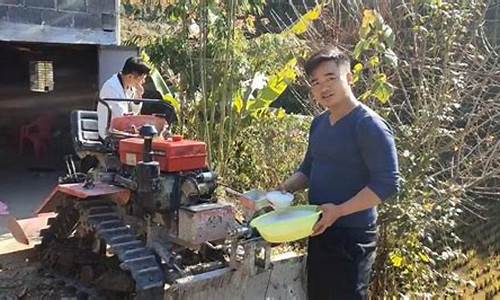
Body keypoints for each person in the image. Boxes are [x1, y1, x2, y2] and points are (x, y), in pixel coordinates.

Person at [276, 46, 400, 299]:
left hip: (353, 237)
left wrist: (340, 211)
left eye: (331, 78)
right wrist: (285, 188)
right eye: (316, 82)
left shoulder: (368, 125)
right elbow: (308, 169)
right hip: (319, 228)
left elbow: (387, 184)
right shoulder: (319, 123)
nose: (323, 87)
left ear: (349, 77)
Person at [97, 57, 151, 139]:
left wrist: (138, 95)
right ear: (130, 77)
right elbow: (122, 117)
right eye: (141, 79)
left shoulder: (130, 87)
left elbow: (134, 112)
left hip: (124, 131)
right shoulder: (111, 88)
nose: (143, 82)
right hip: (111, 134)